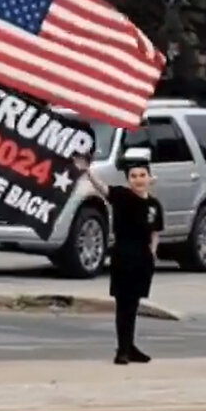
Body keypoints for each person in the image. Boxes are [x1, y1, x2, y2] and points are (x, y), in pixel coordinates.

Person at [78, 147, 163, 364]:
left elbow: (155, 231)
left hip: (142, 259)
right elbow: (102, 188)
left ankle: (130, 345)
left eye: (142, 175)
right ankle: (122, 349)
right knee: (123, 304)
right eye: (133, 176)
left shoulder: (154, 205)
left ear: (150, 178)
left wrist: (152, 254)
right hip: (124, 256)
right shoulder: (122, 197)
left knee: (134, 304)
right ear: (128, 180)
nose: (138, 180)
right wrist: (88, 171)